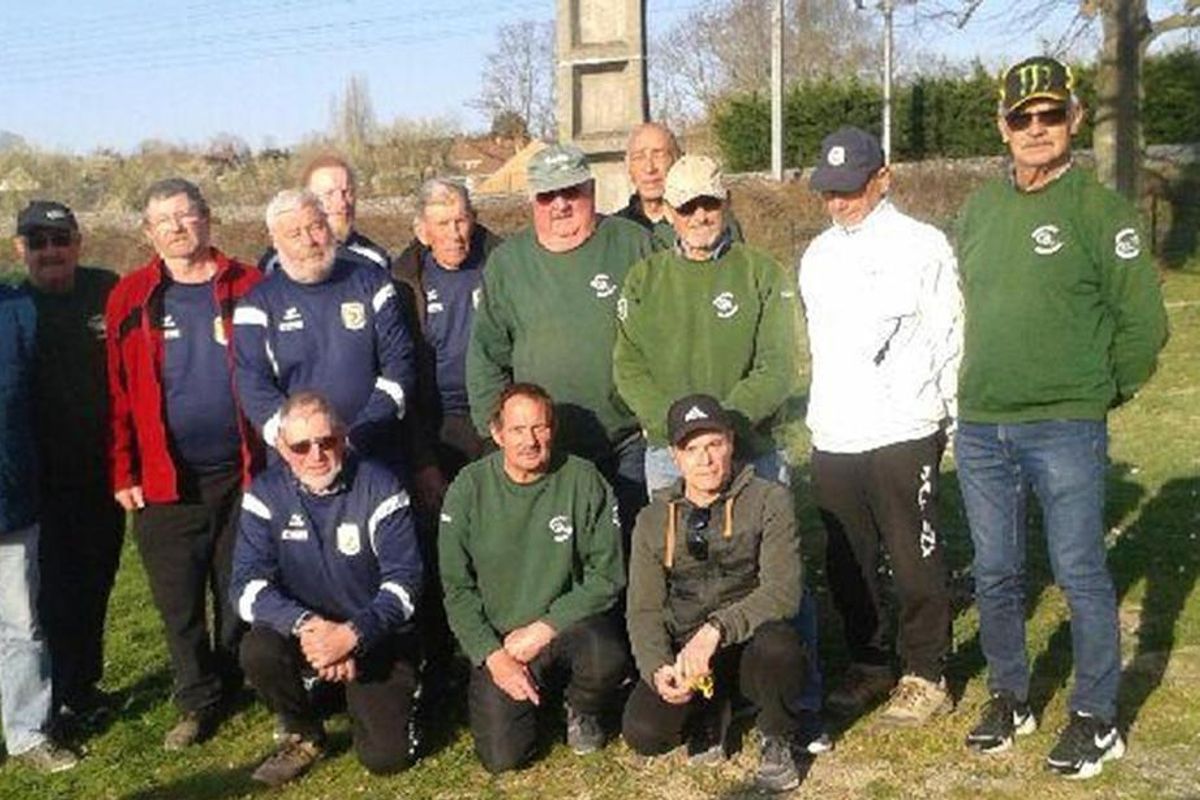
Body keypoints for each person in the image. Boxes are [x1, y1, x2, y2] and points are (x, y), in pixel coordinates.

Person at [954, 56, 1168, 778]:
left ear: (1074, 118)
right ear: (1003, 127)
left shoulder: (1101, 211)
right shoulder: (979, 211)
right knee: (995, 572)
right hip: (982, 424)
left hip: (1065, 425)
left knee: (1079, 570)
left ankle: (1096, 716)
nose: (1037, 128)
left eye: (1051, 114)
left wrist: (1097, 394)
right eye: (1023, 117)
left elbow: (1144, 325)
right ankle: (1010, 697)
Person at [798, 126, 962, 726]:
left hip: (904, 427)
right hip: (836, 432)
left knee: (914, 555)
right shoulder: (817, 257)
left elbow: (951, 335)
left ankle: (926, 671)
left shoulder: (923, 246)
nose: (838, 203)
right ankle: (869, 663)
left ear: (882, 179)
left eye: (850, 189)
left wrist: (950, 415)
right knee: (849, 560)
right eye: (829, 192)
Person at [105, 178, 263, 749]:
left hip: (244, 471)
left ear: (207, 218)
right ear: (149, 232)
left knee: (238, 587)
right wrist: (124, 469)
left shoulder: (249, 285)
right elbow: (118, 392)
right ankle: (197, 700)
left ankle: (237, 678)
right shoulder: (131, 297)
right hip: (165, 478)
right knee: (179, 600)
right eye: (163, 220)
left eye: (185, 214)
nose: (176, 227)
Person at [231, 391, 424, 787]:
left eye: (327, 441)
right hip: (310, 637)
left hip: (376, 637)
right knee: (258, 649)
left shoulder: (381, 486)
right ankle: (304, 733)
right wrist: (310, 627)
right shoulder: (264, 494)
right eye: (301, 446)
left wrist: (352, 635)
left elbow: (405, 585)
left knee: (386, 759)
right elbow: (245, 587)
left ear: (343, 435)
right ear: (282, 447)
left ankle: (381, 694)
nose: (316, 455)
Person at [439, 383, 628, 773]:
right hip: (503, 642)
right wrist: (493, 656)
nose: (530, 440)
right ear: (497, 434)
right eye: (518, 430)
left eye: (539, 428)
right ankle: (531, 701)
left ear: (552, 430)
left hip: (565, 627)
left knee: (606, 656)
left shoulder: (583, 479)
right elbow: (457, 589)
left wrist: (544, 628)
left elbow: (607, 576)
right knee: (503, 758)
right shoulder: (468, 487)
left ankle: (581, 706)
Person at [467, 143, 653, 539]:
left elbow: (666, 335)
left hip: (626, 443)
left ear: (591, 190)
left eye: (571, 191)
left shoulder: (633, 244)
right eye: (547, 195)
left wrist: (657, 414)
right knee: (555, 553)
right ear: (532, 200)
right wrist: (495, 433)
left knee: (628, 549)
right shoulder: (508, 264)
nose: (560, 205)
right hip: (544, 451)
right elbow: (487, 355)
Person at [622, 394, 807, 793]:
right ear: (675, 457)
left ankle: (777, 736)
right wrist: (657, 667)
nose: (705, 460)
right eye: (692, 449)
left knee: (780, 646)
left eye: (714, 445)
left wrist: (716, 630)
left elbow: (783, 592)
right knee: (644, 732)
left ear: (731, 444)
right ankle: (715, 708)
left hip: (751, 640)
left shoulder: (769, 499)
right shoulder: (652, 519)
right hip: (688, 651)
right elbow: (643, 609)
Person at [391, 178, 502, 711]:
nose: (456, 233)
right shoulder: (402, 281)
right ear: (422, 230)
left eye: (462, 220)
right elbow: (400, 375)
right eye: (443, 224)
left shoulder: (501, 261)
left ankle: (499, 651)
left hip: (495, 420)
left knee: (496, 538)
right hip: (436, 427)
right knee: (441, 545)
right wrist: (422, 459)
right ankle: (441, 657)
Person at [15, 201, 124, 719]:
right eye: (38, 243)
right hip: (40, 479)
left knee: (96, 581)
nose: (51, 251)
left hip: (103, 471)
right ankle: (52, 693)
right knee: (48, 593)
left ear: (78, 243)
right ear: (21, 249)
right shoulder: (15, 306)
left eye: (60, 240)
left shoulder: (107, 290)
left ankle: (83, 686)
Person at [233, 189, 414, 470]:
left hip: (375, 450)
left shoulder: (372, 283)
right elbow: (253, 384)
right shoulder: (256, 304)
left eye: (316, 227)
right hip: (299, 460)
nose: (309, 241)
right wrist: (304, 443)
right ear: (275, 241)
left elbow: (399, 364)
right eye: (295, 234)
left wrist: (357, 434)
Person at [0, 283, 79, 773]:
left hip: (11, 501)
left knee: (21, 625)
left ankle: (27, 732)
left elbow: (40, 402)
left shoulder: (18, 311)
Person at [615, 122, 743, 250]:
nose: (649, 168)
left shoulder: (711, 223)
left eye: (659, 155)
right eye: (638, 157)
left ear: (678, 160)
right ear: (629, 168)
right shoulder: (615, 230)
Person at [258, 153, 389, 274]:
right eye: (329, 194)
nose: (342, 203)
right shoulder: (277, 263)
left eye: (347, 192)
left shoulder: (375, 260)